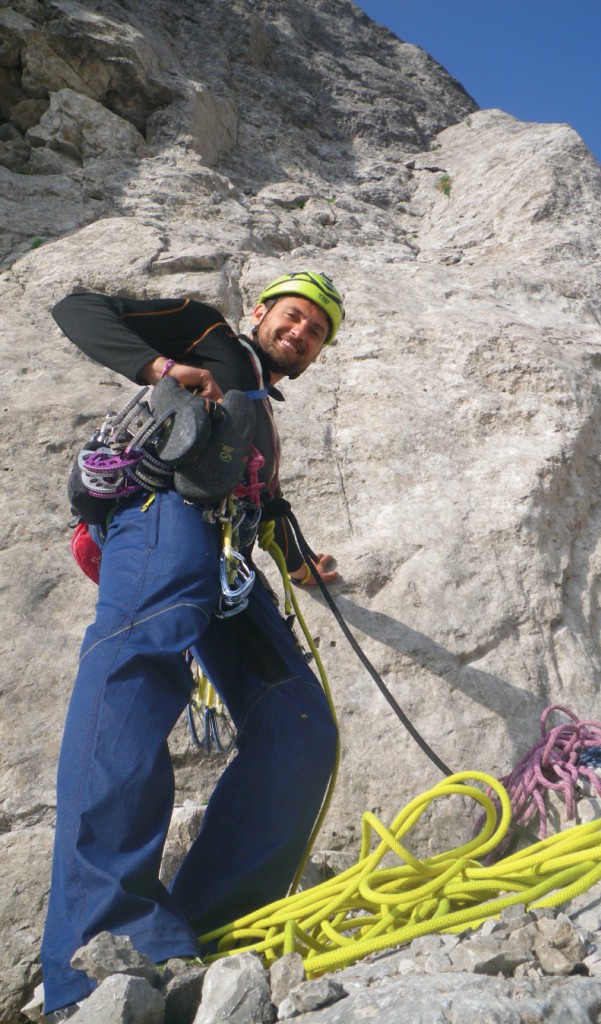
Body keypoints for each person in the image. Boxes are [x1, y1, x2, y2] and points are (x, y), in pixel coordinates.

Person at [40, 271, 344, 1019]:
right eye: (294, 315)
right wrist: (159, 368)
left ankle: (214, 926)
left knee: (301, 728)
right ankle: (103, 942)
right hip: (160, 512)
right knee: (138, 669)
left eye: (316, 332)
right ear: (260, 311)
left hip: (230, 557)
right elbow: (77, 308)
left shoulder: (261, 419)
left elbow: (266, 504)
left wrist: (301, 566)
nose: (300, 333)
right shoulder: (206, 331)